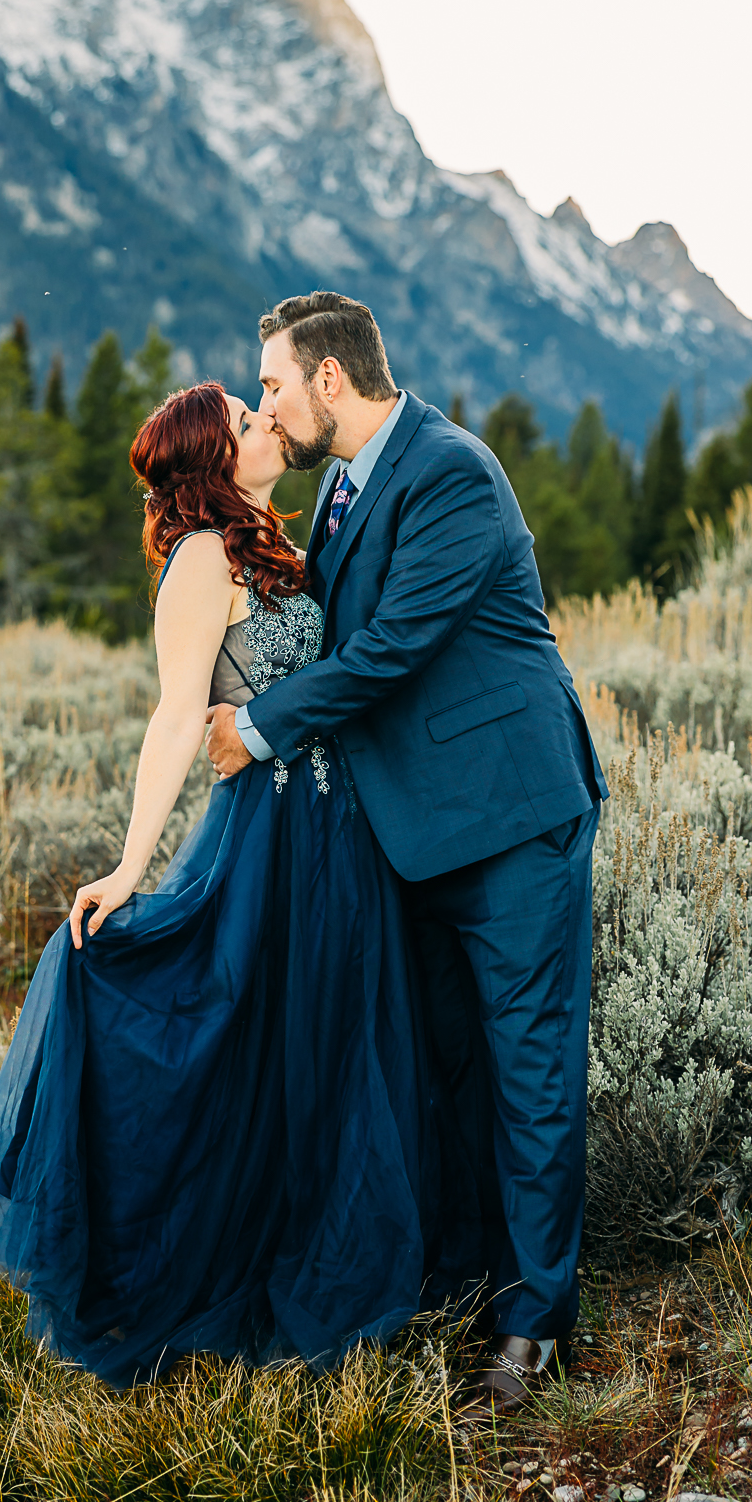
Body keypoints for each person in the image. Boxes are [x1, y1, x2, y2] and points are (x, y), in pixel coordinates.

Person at [0, 381, 455, 1386]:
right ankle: (203, 1277)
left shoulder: (273, 540)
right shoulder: (200, 559)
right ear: (212, 460)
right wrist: (129, 865)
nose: (264, 419)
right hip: (270, 834)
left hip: (341, 832)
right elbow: (178, 716)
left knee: (330, 1044)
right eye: (243, 417)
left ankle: (348, 1263)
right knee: (248, 1037)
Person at [205, 292, 608, 1419]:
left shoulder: (450, 470)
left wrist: (261, 726)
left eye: (276, 384)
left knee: (528, 1067)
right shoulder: (337, 484)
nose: (271, 407)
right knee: (447, 1066)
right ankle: (471, 1279)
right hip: (413, 831)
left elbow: (388, 648)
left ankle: (534, 1335)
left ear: (331, 378)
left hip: (512, 815)